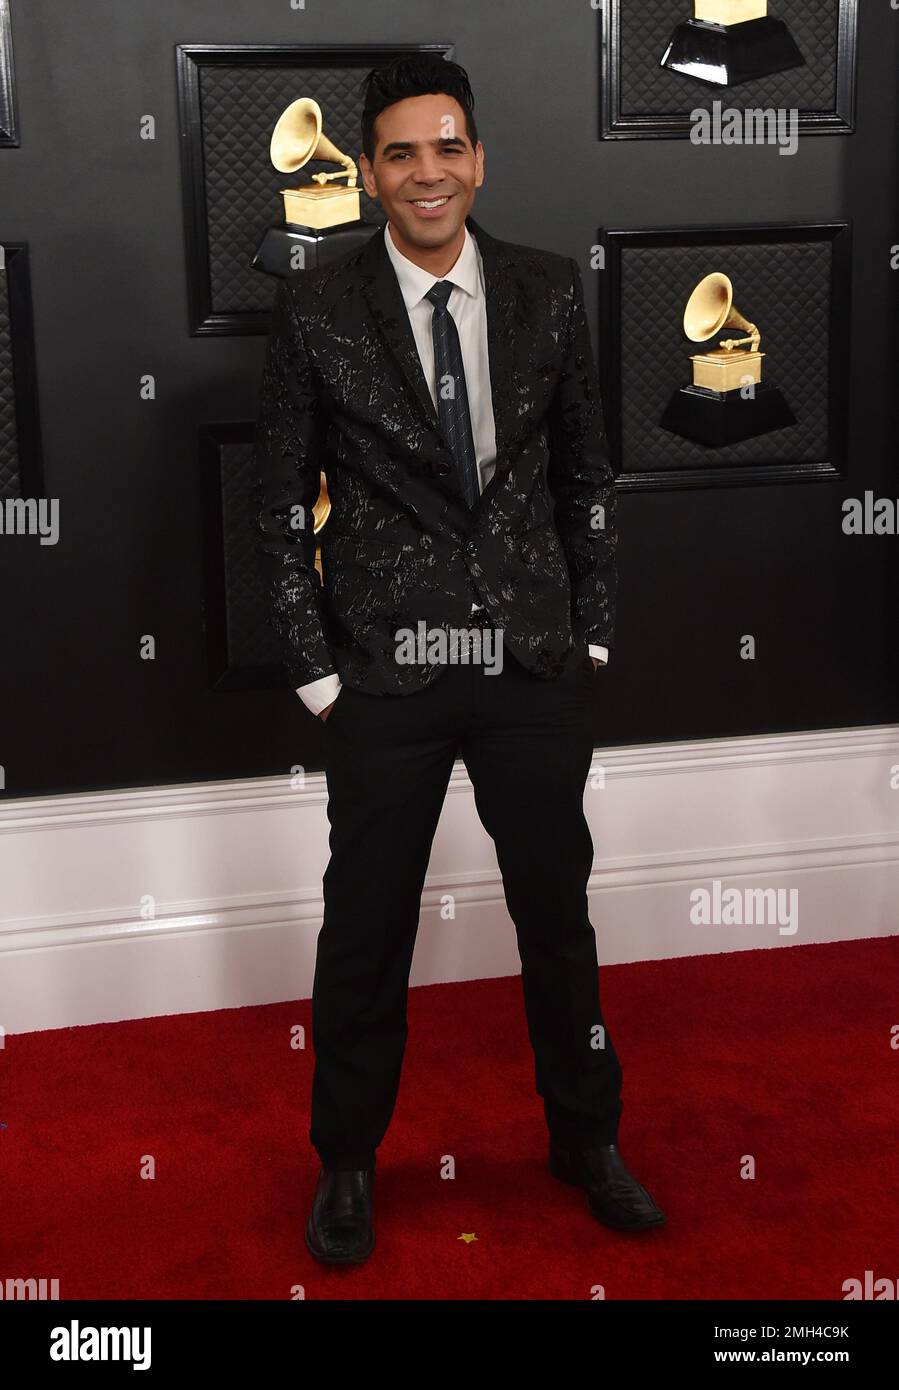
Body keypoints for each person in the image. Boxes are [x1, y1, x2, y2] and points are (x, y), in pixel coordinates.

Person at [252, 53, 665, 1266]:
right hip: (384, 672)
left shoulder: (544, 291)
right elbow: (278, 503)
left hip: (530, 660)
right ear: (370, 173)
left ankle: (585, 1137)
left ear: (475, 158)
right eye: (399, 152)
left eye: (447, 147)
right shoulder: (316, 310)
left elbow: (586, 474)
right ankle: (344, 1163)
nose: (426, 172)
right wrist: (315, 670)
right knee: (364, 927)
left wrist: (587, 626)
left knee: (557, 918)